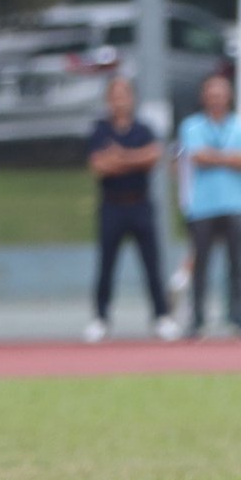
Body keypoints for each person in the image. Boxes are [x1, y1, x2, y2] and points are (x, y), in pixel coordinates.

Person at [84, 75, 180, 342]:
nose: (120, 100)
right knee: (106, 264)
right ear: (108, 100)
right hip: (112, 205)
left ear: (132, 98)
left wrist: (120, 156)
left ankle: (162, 316)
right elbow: (99, 165)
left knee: (152, 263)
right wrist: (132, 158)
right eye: (115, 95)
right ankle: (100, 318)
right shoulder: (100, 130)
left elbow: (153, 155)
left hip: (140, 203)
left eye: (124, 94)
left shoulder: (143, 129)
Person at [177, 73, 241, 337]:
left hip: (236, 203)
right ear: (204, 97)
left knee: (237, 264)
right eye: (212, 94)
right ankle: (197, 318)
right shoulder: (192, 126)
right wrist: (229, 158)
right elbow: (198, 157)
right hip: (203, 205)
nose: (216, 99)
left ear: (229, 97)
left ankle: (239, 318)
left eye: (221, 94)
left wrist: (216, 157)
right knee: (200, 263)